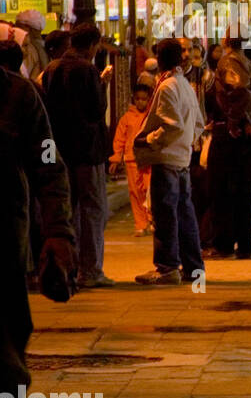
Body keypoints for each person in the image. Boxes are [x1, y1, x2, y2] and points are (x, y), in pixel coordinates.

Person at [1, 63, 77, 398]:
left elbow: (49, 168)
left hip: (4, 253)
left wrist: (59, 235)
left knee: (6, 360)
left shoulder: (18, 96)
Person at [41, 24, 114, 289]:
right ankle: (91, 269)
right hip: (88, 151)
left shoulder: (52, 69)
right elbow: (96, 111)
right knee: (94, 208)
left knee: (69, 209)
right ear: (93, 44)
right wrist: (103, 85)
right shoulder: (87, 70)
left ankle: (68, 267)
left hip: (62, 150)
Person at [132, 38, 206, 286]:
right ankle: (193, 267)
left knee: (165, 216)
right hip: (181, 158)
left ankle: (167, 267)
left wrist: (151, 140)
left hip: (167, 158)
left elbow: (171, 126)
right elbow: (197, 123)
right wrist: (187, 143)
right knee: (185, 215)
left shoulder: (168, 86)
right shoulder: (184, 84)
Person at [207, 38, 251, 259]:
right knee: (242, 193)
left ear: (226, 41)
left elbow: (241, 92)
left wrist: (233, 121)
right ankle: (244, 244)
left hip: (234, 138)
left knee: (223, 191)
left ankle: (225, 245)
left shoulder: (229, 63)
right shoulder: (250, 64)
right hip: (246, 136)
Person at [110, 83, 154, 236]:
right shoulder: (127, 118)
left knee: (150, 191)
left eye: (144, 99)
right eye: (138, 99)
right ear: (133, 99)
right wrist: (116, 158)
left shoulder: (151, 117)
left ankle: (151, 220)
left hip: (148, 159)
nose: (141, 102)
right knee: (135, 193)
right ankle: (141, 224)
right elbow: (120, 138)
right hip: (132, 160)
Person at [12, 9, 50, 81]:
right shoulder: (43, 45)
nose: (15, 29)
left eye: (18, 26)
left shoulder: (30, 48)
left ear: (28, 27)